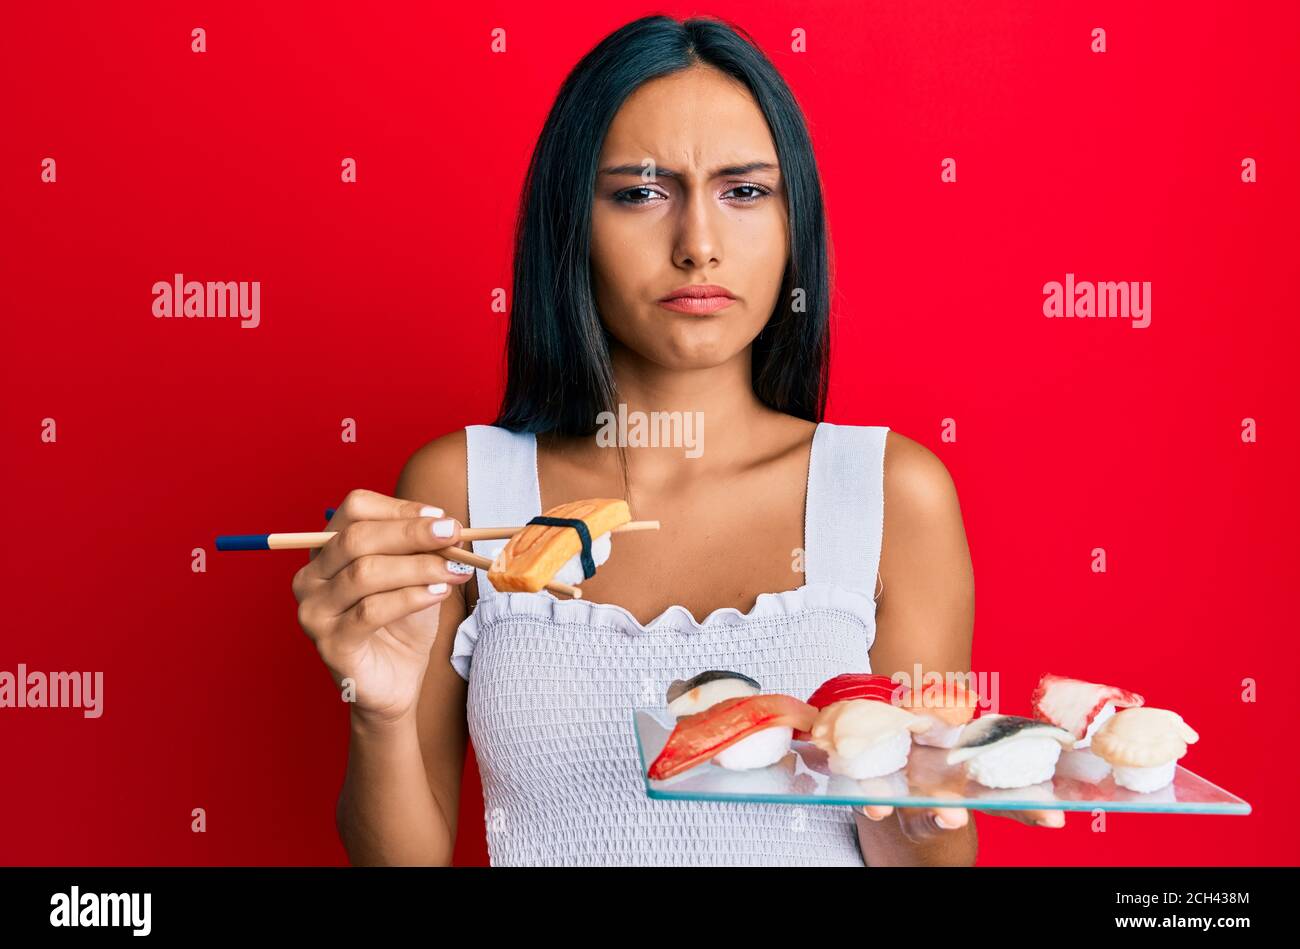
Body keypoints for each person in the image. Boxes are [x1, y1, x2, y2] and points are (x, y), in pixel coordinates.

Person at [292, 14, 1063, 866]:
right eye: (640, 193)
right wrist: (381, 709)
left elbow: (927, 852)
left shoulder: (889, 492)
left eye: (743, 191)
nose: (698, 245)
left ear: (792, 219)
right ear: (571, 224)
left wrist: (918, 816)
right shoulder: (465, 492)